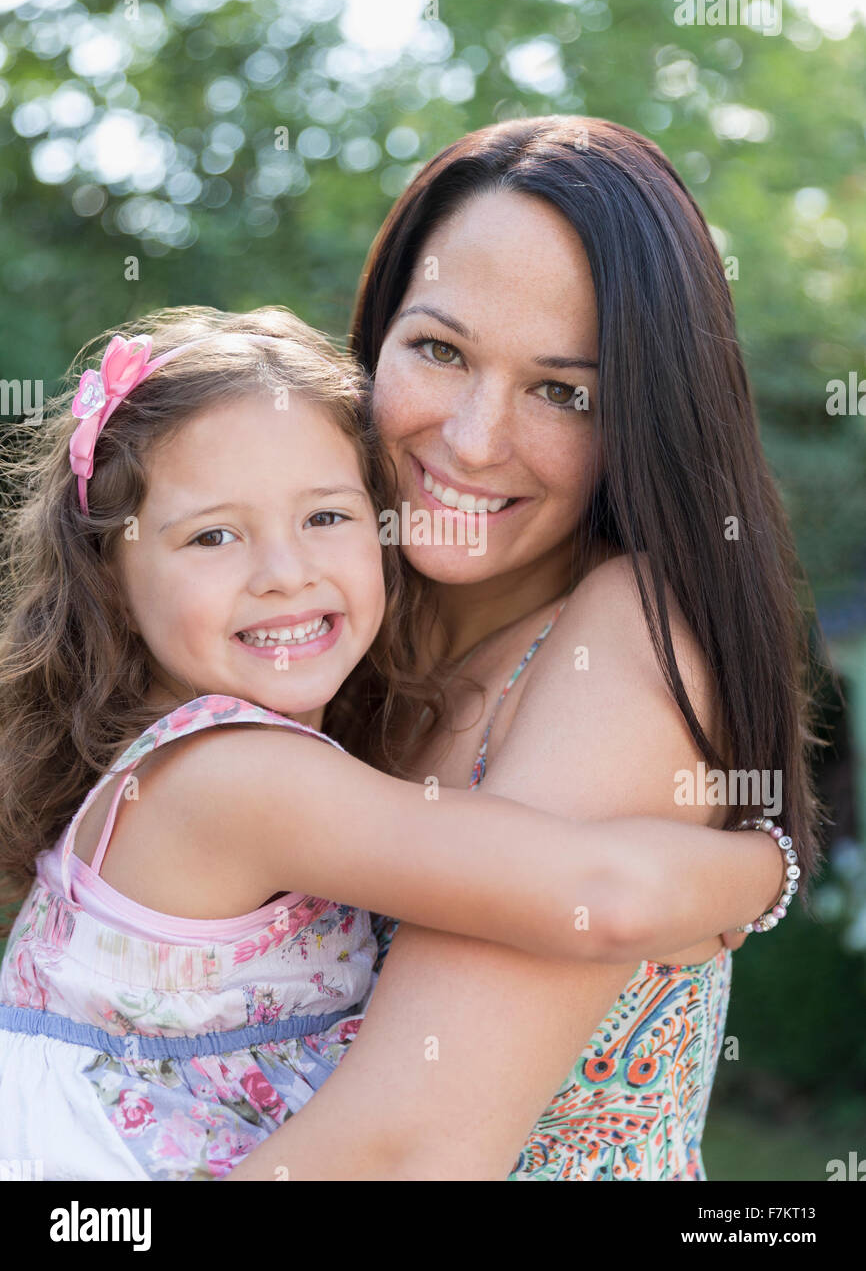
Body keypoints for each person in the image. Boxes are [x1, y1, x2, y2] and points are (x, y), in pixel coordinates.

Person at [0, 308, 794, 1181]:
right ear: (109, 580)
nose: (285, 572)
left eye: (327, 518)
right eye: (213, 535)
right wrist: (766, 868)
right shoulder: (234, 776)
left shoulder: (197, 762)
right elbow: (600, 899)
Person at [227, 116, 829, 1181]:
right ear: (376, 337)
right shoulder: (314, 623)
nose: (469, 439)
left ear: (644, 420)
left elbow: (404, 1148)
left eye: (563, 391)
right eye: (439, 350)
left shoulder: (627, 630)